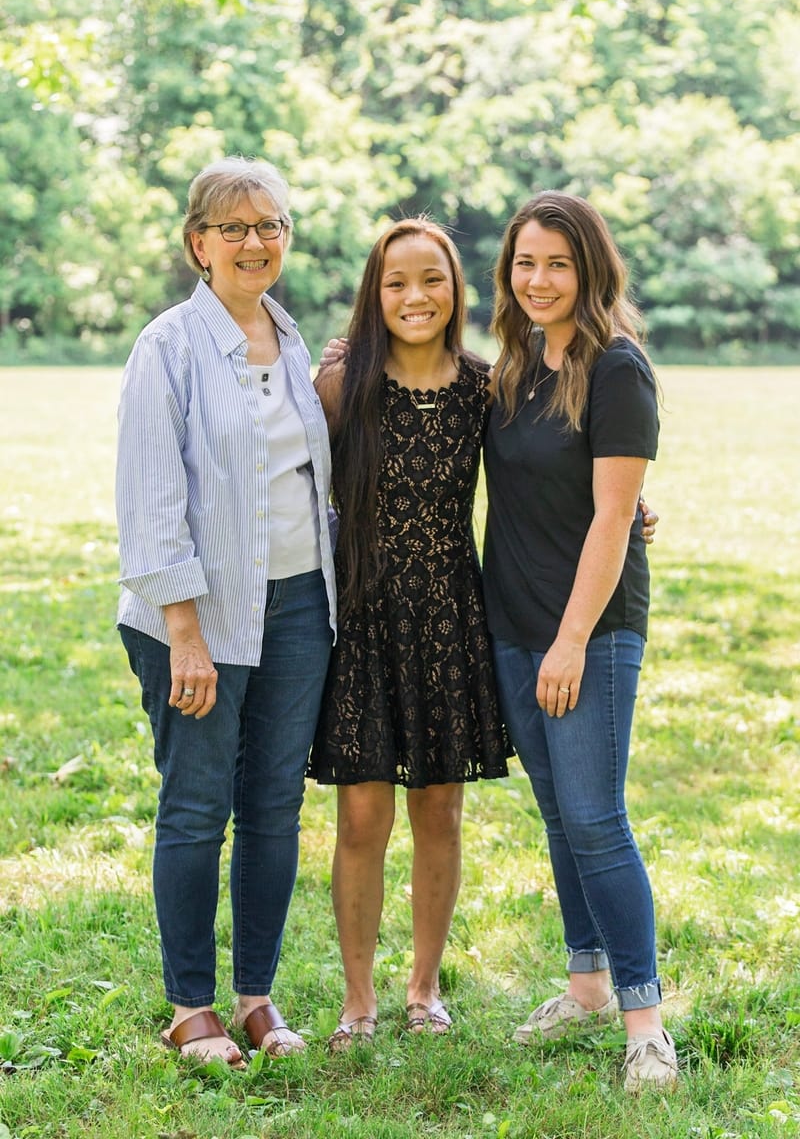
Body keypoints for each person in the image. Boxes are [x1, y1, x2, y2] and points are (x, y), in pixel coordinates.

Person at [116, 156, 336, 1068]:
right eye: (235, 228)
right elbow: (151, 496)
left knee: (274, 807)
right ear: (198, 243)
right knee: (199, 806)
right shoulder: (167, 348)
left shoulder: (290, 341)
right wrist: (185, 635)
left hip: (296, 611)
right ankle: (188, 1007)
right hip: (195, 619)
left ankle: (255, 996)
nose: (256, 242)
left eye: (271, 225)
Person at [483, 190, 676, 1091]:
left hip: (586, 635)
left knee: (598, 821)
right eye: (526, 262)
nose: (539, 278)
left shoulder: (617, 369)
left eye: (557, 262)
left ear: (590, 269)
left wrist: (570, 640)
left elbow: (610, 521)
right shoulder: (514, 367)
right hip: (513, 625)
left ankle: (644, 1021)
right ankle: (587, 984)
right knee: (561, 816)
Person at [308, 218, 510, 1049]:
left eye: (431, 279)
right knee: (361, 818)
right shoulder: (339, 385)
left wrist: (625, 509)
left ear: (455, 289)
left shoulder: (486, 388)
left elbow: (542, 480)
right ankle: (359, 999)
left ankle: (423, 988)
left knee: (440, 809)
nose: (415, 296)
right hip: (363, 618)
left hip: (450, 616)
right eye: (396, 283)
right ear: (374, 291)